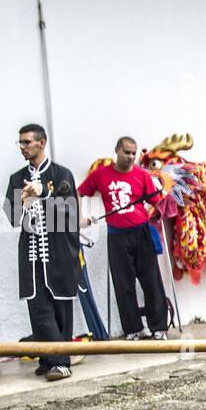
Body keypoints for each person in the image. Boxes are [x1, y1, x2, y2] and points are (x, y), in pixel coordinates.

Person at [3, 124, 81, 381]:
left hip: (59, 252)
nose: (23, 147)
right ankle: (54, 359)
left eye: (27, 142)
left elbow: (69, 213)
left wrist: (44, 193)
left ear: (41, 143)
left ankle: (55, 360)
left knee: (61, 308)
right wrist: (22, 203)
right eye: (21, 143)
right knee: (38, 308)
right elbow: (12, 218)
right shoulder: (16, 178)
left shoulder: (61, 174)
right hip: (32, 253)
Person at [77, 136, 169, 340]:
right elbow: (80, 192)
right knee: (123, 284)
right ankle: (133, 329)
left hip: (141, 232)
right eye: (126, 152)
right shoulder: (101, 175)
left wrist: (160, 193)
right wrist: (80, 218)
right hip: (117, 236)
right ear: (116, 151)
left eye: (133, 153)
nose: (130, 156)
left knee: (151, 281)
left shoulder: (142, 175)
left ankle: (158, 327)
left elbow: (155, 201)